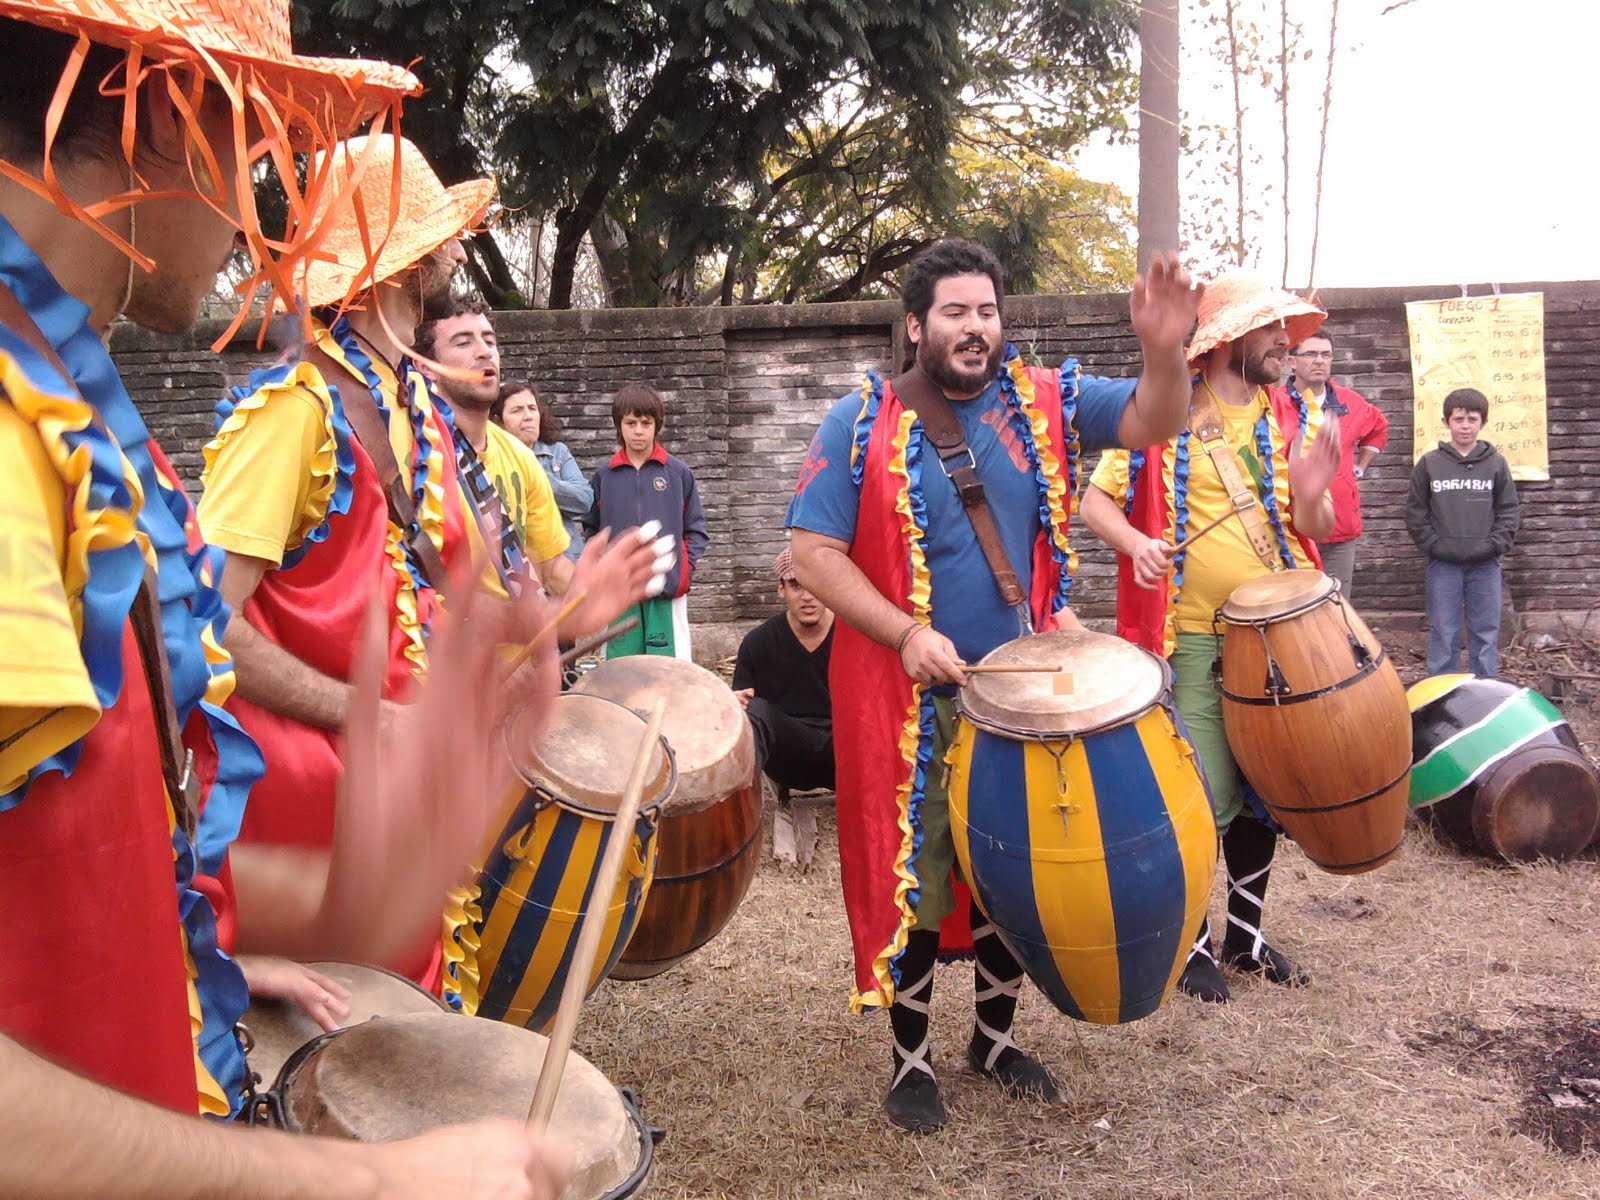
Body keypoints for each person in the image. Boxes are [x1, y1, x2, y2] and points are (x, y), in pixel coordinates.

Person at [0, 7, 573, 1196]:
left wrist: (378, 872)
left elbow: (76, 853)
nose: (265, 213)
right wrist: (367, 1182)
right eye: (256, 147)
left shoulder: (68, 411)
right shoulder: (17, 434)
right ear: (168, 112)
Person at [198, 135, 665, 987]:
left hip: (402, 806)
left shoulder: (419, 403)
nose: (455, 243)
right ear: (402, 262)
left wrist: (563, 617)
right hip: (311, 823)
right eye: (435, 230)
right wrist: (365, 713)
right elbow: (203, 625)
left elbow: (431, 598)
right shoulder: (291, 414)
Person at [787, 237, 1202, 1133]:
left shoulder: (1044, 401)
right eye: (955, 313)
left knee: (1011, 872)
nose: (975, 329)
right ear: (915, 326)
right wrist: (904, 633)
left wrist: (1165, 350)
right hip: (910, 706)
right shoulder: (860, 422)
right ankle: (908, 1062)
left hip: (1019, 700)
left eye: (987, 312)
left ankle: (994, 1039)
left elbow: (1154, 419)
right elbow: (811, 553)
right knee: (922, 884)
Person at [1078, 272, 1342, 1007]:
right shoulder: (1165, 411)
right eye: (1270, 331)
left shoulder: (1283, 416)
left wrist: (1314, 491)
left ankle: (1246, 938)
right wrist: (1135, 542)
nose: (1285, 345)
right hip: (1193, 638)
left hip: (1280, 640)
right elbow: (1093, 501)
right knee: (1201, 793)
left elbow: (1311, 531)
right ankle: (1193, 945)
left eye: (1285, 333)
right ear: (1228, 340)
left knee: (1268, 794)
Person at [411, 298, 575, 594]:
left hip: (530, 639)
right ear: (427, 368)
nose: (485, 352)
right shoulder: (414, 453)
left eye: (489, 340)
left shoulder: (521, 457)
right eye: (463, 343)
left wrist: (597, 589)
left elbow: (552, 568)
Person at [583, 381, 710, 660]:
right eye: (630, 423)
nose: (638, 430)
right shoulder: (605, 476)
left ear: (656, 425)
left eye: (645, 422)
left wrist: (684, 568)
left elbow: (696, 528)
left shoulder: (677, 472)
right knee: (621, 669)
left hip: (666, 588)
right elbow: (592, 528)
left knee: (668, 669)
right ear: (619, 425)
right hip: (619, 593)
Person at [1406, 387, 1520, 677]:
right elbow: (1416, 513)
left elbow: (1508, 511)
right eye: (1458, 419)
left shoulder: (1496, 463)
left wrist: (1493, 545)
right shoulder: (1430, 463)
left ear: (1483, 422)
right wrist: (1435, 545)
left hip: (1485, 564)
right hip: (1443, 564)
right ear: (1446, 423)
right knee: (1444, 632)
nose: (1465, 425)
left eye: (1472, 419)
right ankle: (1443, 694)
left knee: (1485, 632)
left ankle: (1485, 690)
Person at [1286, 331, 1389, 598]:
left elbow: (1378, 428)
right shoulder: (1274, 404)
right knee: (1291, 607)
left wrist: (1360, 466)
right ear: (1292, 361)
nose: (1319, 360)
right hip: (1288, 528)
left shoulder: (1350, 402)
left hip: (1339, 527)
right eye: (1310, 354)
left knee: (1336, 605)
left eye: (1325, 354)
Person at [733, 547, 836, 793]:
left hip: (845, 751)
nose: (807, 596)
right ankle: (740, 802)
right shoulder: (758, 642)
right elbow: (742, 705)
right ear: (782, 589)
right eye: (796, 585)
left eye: (815, 585)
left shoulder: (855, 637)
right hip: (787, 755)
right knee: (751, 708)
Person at [496, 379, 592, 562]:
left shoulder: (557, 452)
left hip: (566, 561)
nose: (528, 416)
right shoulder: (492, 459)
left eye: (532, 408)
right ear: (498, 421)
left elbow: (583, 499)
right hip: (520, 567)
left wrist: (534, 475)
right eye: (517, 410)